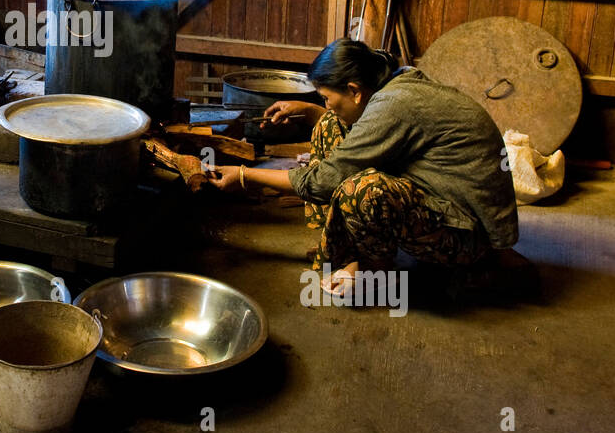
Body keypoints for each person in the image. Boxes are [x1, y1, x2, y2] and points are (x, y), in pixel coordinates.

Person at [206, 39, 517, 297]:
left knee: (363, 190)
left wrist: (245, 176)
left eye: (327, 97)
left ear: (354, 90)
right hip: (448, 200)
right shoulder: (396, 82)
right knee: (330, 123)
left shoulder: (395, 105)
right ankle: (343, 247)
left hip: (468, 238)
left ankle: (375, 269)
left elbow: (324, 180)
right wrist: (313, 111)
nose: (327, 104)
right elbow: (358, 127)